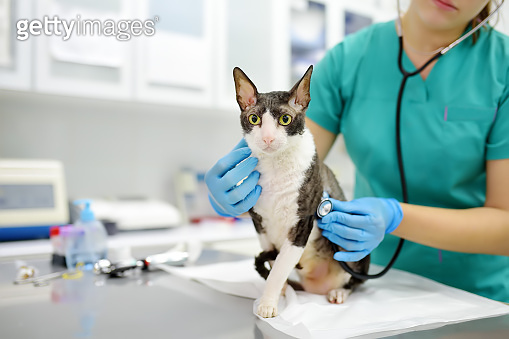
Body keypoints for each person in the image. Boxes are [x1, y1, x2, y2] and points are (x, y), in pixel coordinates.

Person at [205, 0, 509, 302]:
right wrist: (237, 187)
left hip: (478, 298)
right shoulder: (348, 60)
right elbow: (293, 161)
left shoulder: (503, 67)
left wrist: (396, 217)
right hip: (367, 284)